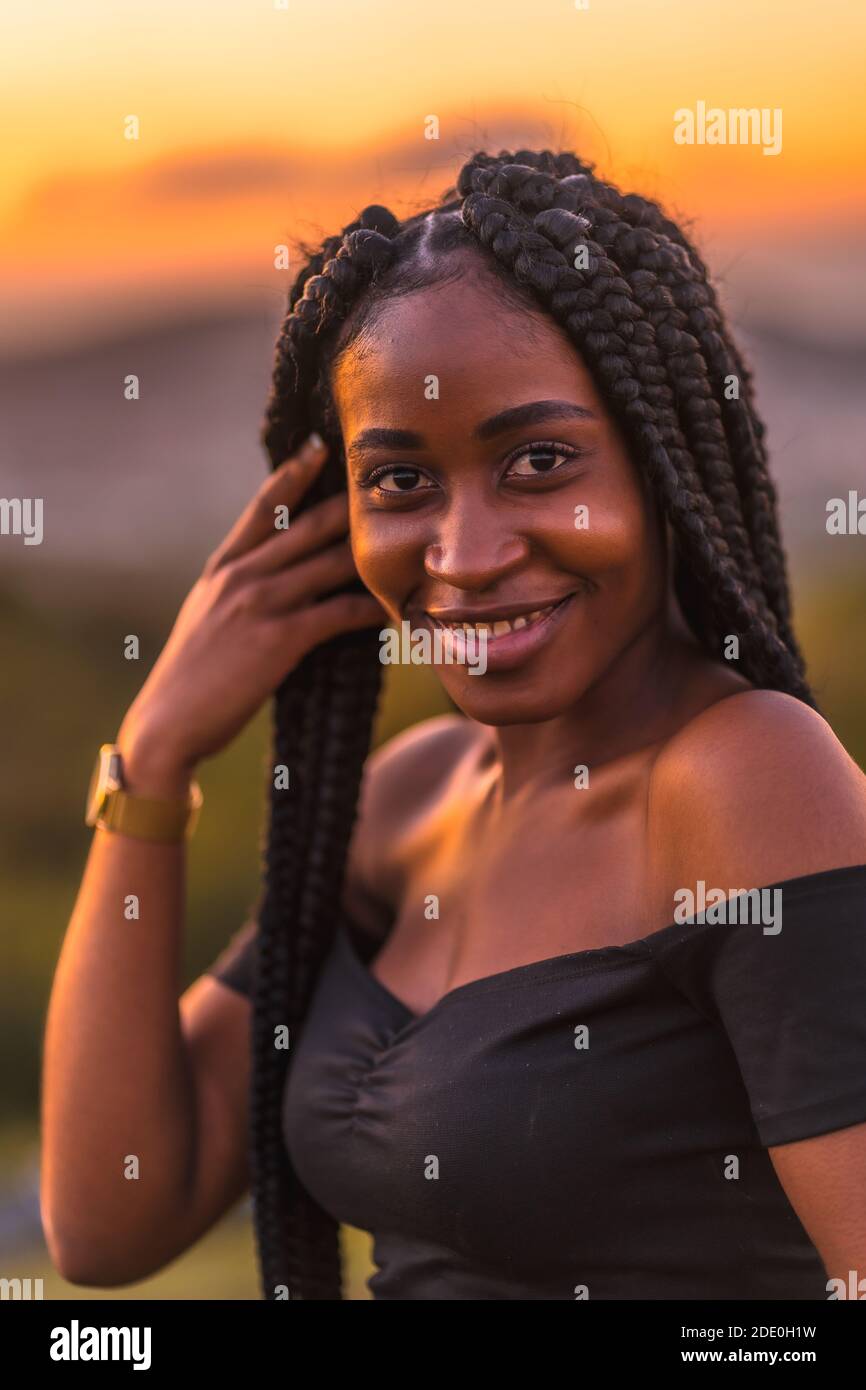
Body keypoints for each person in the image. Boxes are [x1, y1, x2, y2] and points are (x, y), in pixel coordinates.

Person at [41, 149, 866, 1300]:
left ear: (660, 465)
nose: (465, 557)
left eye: (538, 461)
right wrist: (155, 756)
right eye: (401, 482)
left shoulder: (748, 779)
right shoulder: (406, 800)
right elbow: (106, 1215)